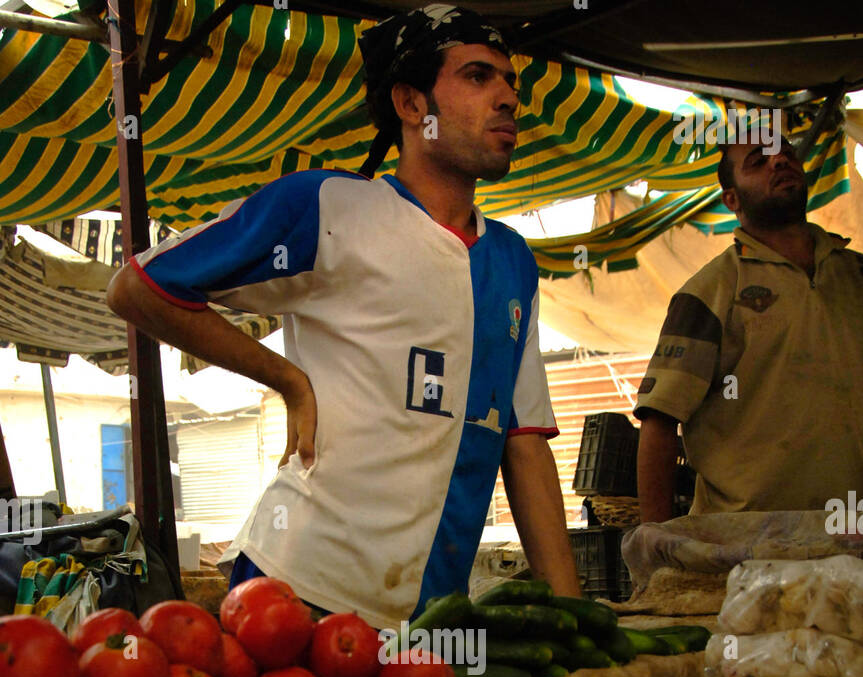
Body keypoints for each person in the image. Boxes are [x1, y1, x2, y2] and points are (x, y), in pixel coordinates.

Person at [106, 4, 581, 627]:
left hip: (431, 615)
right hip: (297, 592)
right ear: (412, 105)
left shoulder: (513, 260)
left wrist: (576, 623)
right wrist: (287, 379)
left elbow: (523, 445)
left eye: (509, 83)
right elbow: (139, 288)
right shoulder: (331, 205)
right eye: (477, 76)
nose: (508, 99)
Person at [635, 128, 863, 522]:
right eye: (758, 161)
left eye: (785, 152)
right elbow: (659, 422)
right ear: (732, 199)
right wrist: (655, 545)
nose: (779, 160)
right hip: (745, 546)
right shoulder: (710, 292)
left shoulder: (857, 274)